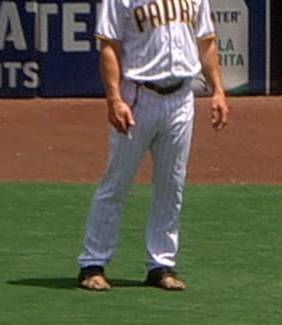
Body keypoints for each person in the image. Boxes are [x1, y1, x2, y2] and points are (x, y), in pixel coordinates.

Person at [75, 0, 230, 292]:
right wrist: (114, 99)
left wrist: (218, 91)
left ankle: (161, 265)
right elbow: (109, 46)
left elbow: (205, 41)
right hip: (138, 95)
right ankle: (92, 263)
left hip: (182, 97)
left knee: (171, 184)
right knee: (117, 182)